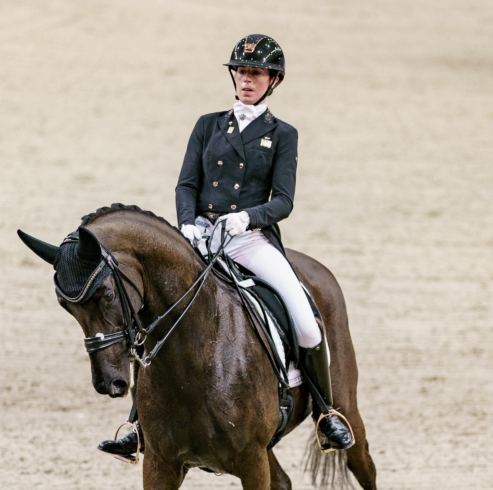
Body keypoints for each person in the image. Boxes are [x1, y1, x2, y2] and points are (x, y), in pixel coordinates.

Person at [98, 34, 354, 462]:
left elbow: (284, 200)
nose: (246, 79)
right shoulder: (207, 125)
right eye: (241, 71)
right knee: (157, 316)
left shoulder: (283, 134)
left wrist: (247, 218)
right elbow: (186, 184)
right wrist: (188, 225)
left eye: (255, 73)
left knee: (308, 324)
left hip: (250, 241)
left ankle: (326, 414)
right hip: (201, 241)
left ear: (273, 80)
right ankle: (137, 425)